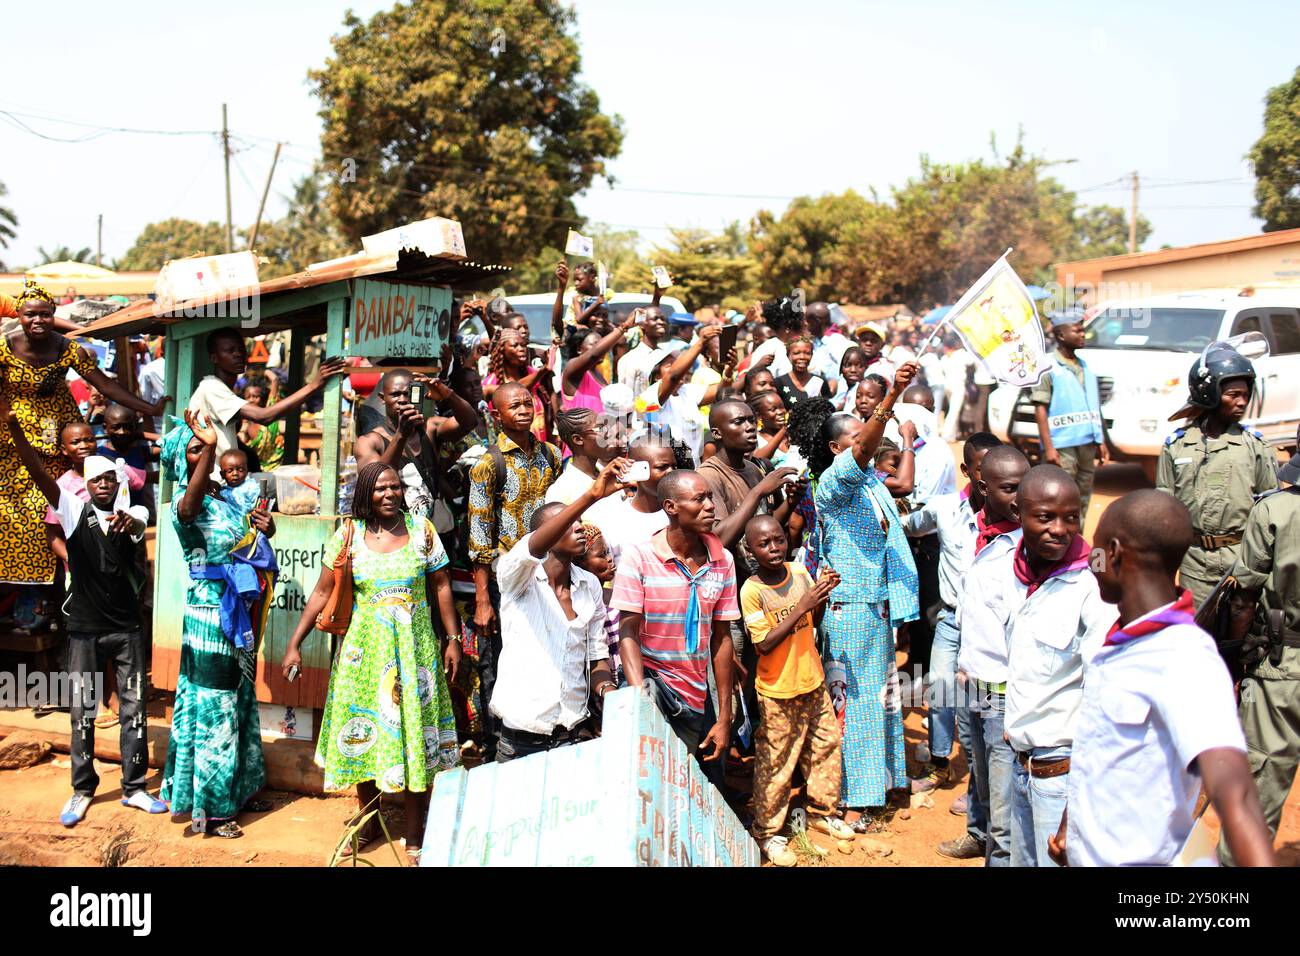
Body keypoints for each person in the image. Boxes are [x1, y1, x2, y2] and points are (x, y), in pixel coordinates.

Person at [1046, 489, 1274, 867]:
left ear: (1115, 553)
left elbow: (1237, 794)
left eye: (1096, 553)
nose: (1090, 563)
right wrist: (1075, 827)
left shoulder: (1182, 657)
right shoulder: (1119, 643)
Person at [282, 461, 462, 861]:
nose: (390, 494)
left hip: (415, 654)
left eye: (395, 487)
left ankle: (416, 833)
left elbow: (442, 584)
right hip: (364, 656)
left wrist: (452, 639)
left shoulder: (422, 531)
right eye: (381, 488)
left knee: (416, 737)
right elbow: (320, 593)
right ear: (366, 493)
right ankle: (367, 826)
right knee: (361, 737)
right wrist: (295, 642)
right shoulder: (347, 536)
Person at [4, 405, 163, 827]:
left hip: (126, 629)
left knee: (134, 708)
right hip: (84, 631)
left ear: (116, 482)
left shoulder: (132, 518)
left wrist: (133, 519)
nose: (104, 485)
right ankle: (81, 789)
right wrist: (16, 429)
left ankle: (134, 788)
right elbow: (38, 473)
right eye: (97, 480)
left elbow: (141, 519)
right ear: (86, 487)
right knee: (82, 710)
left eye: (110, 478)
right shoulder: (73, 512)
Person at [791, 362, 921, 832]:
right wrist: (892, 398)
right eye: (855, 440)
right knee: (856, 702)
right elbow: (868, 445)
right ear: (835, 449)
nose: (864, 445)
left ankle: (881, 782)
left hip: (876, 604)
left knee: (880, 696)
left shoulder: (867, 485)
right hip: (849, 610)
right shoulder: (834, 486)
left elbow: (898, 501)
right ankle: (848, 799)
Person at [1, 280, 165, 594]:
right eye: (30, 315)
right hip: (15, 436)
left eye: (45, 315)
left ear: (53, 314)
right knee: (16, 514)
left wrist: (149, 406)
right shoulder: (5, 349)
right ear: (18, 316)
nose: (38, 321)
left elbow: (107, 386)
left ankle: (64, 587)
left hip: (59, 434)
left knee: (63, 508)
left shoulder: (69, 349)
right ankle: (23, 595)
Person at [160, 411, 277, 838]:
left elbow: (245, 545)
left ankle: (239, 791)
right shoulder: (182, 503)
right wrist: (210, 445)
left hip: (239, 611)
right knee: (215, 705)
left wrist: (267, 530)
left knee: (241, 697)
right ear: (181, 461)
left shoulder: (225, 498)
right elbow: (190, 513)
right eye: (194, 449)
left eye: (204, 447)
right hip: (210, 614)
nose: (203, 452)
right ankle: (213, 810)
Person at [1003, 465, 1110, 867]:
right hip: (1021, 761)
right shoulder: (1013, 572)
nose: (1060, 529)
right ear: (1018, 513)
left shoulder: (1093, 587)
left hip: (1062, 773)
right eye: (1045, 517)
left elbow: (1103, 693)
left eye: (1071, 517)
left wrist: (1075, 804)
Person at [492, 458, 631, 761]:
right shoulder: (518, 579)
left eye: (580, 524)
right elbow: (532, 548)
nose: (580, 529)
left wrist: (606, 689)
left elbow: (597, 657)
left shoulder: (589, 585)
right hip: (522, 739)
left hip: (572, 732)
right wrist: (590, 496)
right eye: (569, 525)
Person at [611, 469, 739, 787]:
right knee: (652, 786)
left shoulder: (722, 561)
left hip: (695, 693)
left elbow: (721, 640)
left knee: (704, 785)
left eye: (710, 497)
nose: (710, 505)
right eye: (699, 499)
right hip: (654, 687)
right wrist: (640, 698)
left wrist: (725, 716)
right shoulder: (639, 557)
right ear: (671, 507)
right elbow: (627, 632)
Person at [741, 515, 855, 865]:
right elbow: (763, 643)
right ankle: (769, 833)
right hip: (778, 690)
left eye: (778, 540)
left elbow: (813, 622)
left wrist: (820, 596)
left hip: (813, 680)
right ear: (751, 549)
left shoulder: (800, 573)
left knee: (824, 747)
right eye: (764, 543)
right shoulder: (753, 590)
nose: (774, 548)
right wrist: (804, 605)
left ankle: (822, 812)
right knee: (777, 763)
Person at [902, 433, 1003, 808]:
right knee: (941, 691)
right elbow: (906, 525)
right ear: (967, 470)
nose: (989, 475)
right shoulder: (945, 509)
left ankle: (979, 788)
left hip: (991, 628)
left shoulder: (1010, 516)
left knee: (979, 707)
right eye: (982, 467)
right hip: (950, 619)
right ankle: (941, 764)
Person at [1217, 438, 1300, 864]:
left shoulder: (1274, 510)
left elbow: (1244, 598)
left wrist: (1234, 659)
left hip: (1282, 667)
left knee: (1259, 789)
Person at [467, 381, 561, 759]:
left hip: (546, 575)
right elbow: (478, 535)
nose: (524, 410)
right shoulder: (489, 464)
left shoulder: (551, 455)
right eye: (514, 406)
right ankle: (497, 743)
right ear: (498, 415)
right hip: (506, 580)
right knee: (500, 659)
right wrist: (482, 599)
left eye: (528, 403)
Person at [949, 443, 1030, 863]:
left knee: (1004, 806)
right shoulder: (975, 532)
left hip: (1003, 694)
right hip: (972, 682)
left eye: (1025, 486)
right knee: (981, 780)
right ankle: (979, 839)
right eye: (1010, 488)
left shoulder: (1025, 548)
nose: (1022, 498)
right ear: (982, 487)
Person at [1156, 342, 1278, 609]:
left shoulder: (1255, 447)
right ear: (1209, 392)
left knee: (1243, 640)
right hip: (1194, 562)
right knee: (1197, 636)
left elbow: (1272, 512)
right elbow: (1164, 510)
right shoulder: (1176, 447)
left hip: (1243, 559)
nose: (1242, 402)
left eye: (1245, 394)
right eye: (1233, 394)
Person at [189, 328, 345, 475]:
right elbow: (264, 416)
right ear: (214, 358)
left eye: (241, 350)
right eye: (230, 351)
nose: (238, 354)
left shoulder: (226, 390)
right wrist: (314, 385)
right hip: (216, 483)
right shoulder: (210, 387)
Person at [355, 369, 478, 522]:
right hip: (395, 527)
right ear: (382, 398)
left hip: (433, 528)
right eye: (395, 394)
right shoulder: (370, 441)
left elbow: (470, 422)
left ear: (418, 396)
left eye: (408, 394)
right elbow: (374, 480)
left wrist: (447, 394)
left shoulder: (430, 428)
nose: (402, 400)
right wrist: (401, 434)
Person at [1028, 309, 1109, 521]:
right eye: (1078, 331)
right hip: (1062, 447)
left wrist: (1100, 440)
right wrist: (1049, 447)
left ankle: (1078, 544)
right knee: (1061, 497)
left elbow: (1093, 407)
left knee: (1082, 499)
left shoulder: (1086, 367)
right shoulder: (1048, 367)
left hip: (1087, 443)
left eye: (1083, 330)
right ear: (1061, 335)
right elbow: (1040, 409)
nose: (1083, 334)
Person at [584, 435, 675, 566]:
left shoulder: (681, 513)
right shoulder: (612, 519)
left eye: (674, 466)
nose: (671, 472)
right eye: (662, 467)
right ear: (636, 469)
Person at [482, 329, 555, 444]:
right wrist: (543, 370)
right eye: (515, 346)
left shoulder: (531, 373)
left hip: (538, 447)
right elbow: (513, 389)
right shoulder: (491, 382)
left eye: (523, 345)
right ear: (502, 350)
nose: (521, 349)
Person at [545, 407, 624, 505]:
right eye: (600, 428)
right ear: (578, 439)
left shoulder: (608, 474)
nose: (608, 433)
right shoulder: (561, 491)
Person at [560, 313, 635, 414]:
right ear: (579, 349)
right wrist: (623, 327)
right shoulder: (572, 368)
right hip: (580, 429)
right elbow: (593, 355)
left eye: (602, 344)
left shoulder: (597, 373)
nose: (603, 350)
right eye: (595, 345)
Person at [616, 305, 670, 399]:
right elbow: (625, 399)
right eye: (655, 319)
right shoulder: (630, 359)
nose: (661, 322)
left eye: (662, 319)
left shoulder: (665, 356)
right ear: (641, 324)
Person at [237, 378, 284, 471]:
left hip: (275, 470)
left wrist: (266, 371)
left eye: (255, 396)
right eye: (248, 397)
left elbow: (275, 380)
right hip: (253, 472)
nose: (251, 400)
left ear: (262, 398)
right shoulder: (241, 423)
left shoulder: (270, 415)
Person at [774, 336, 831, 408]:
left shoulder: (820, 382)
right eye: (796, 353)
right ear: (788, 355)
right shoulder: (779, 383)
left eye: (807, 353)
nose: (802, 357)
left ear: (812, 355)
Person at [805, 301, 851, 386]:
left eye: (809, 322)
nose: (806, 325)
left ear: (817, 321)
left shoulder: (837, 342)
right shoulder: (815, 342)